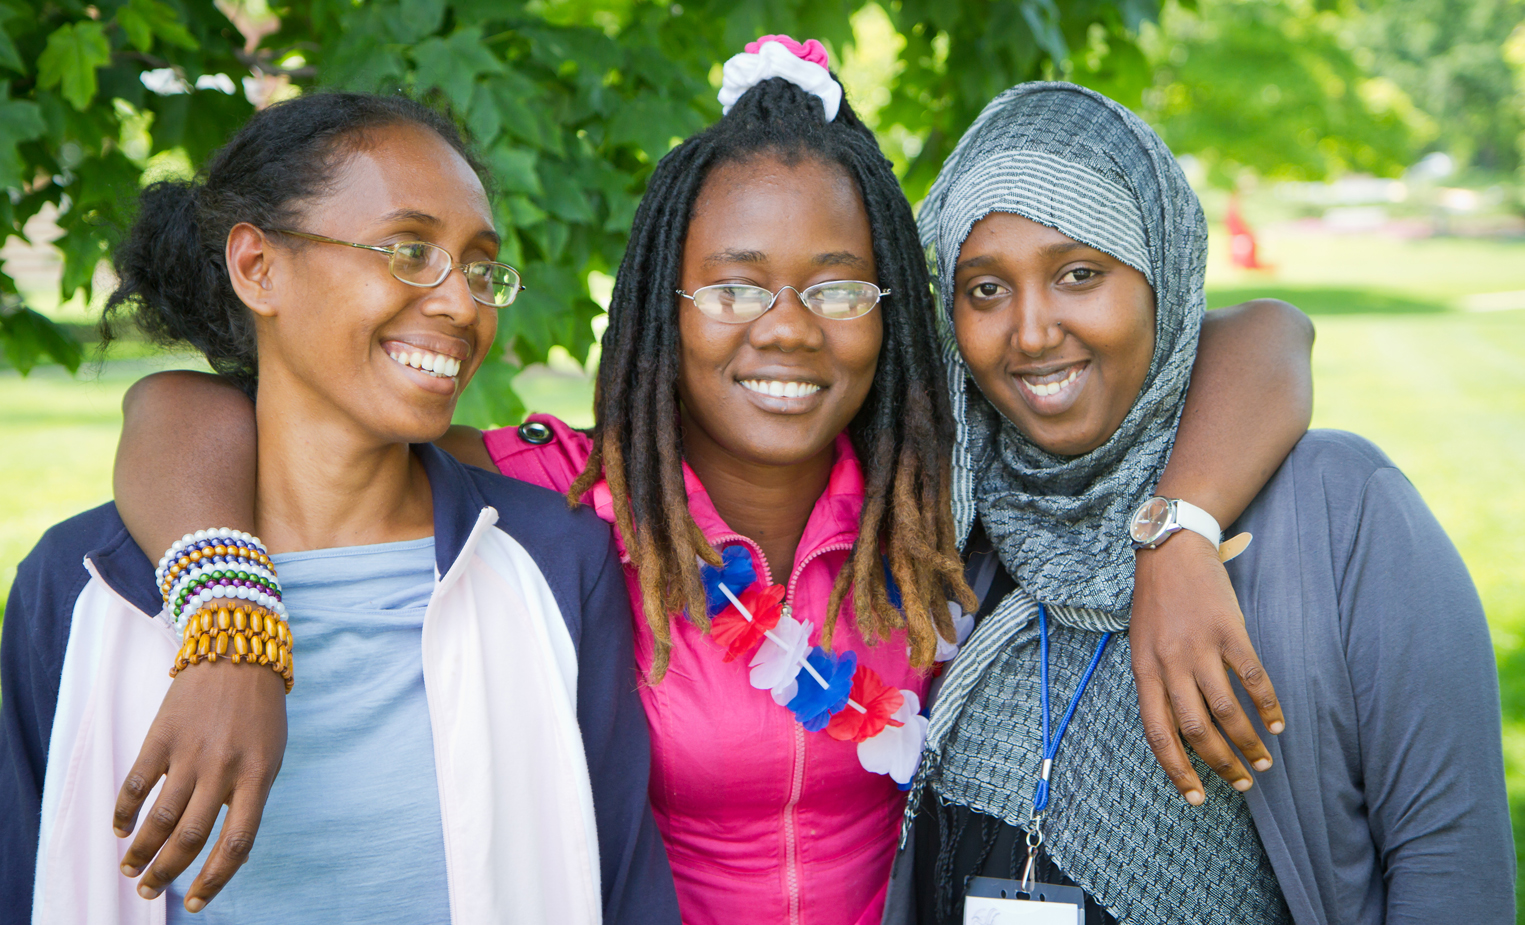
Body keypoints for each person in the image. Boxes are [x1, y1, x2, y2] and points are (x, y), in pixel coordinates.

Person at [100, 41, 1313, 924]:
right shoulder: (566, 505)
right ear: (660, 315)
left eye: (837, 287)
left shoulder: (937, 508)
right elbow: (187, 406)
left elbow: (1267, 336)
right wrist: (228, 618)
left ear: (889, 315)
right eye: (733, 287)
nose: (786, 330)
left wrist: (1180, 534)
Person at [0, 92, 677, 924]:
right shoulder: (84, 587)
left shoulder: (554, 558)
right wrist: (227, 622)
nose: (462, 305)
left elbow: (621, 889)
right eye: (407, 250)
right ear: (257, 267)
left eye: (478, 265)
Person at [882, 82, 1514, 924]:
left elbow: (1448, 863)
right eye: (985, 289)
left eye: (1079, 273)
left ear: (1162, 271)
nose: (1030, 332)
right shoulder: (950, 520)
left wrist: (1177, 527)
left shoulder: (1340, 511)